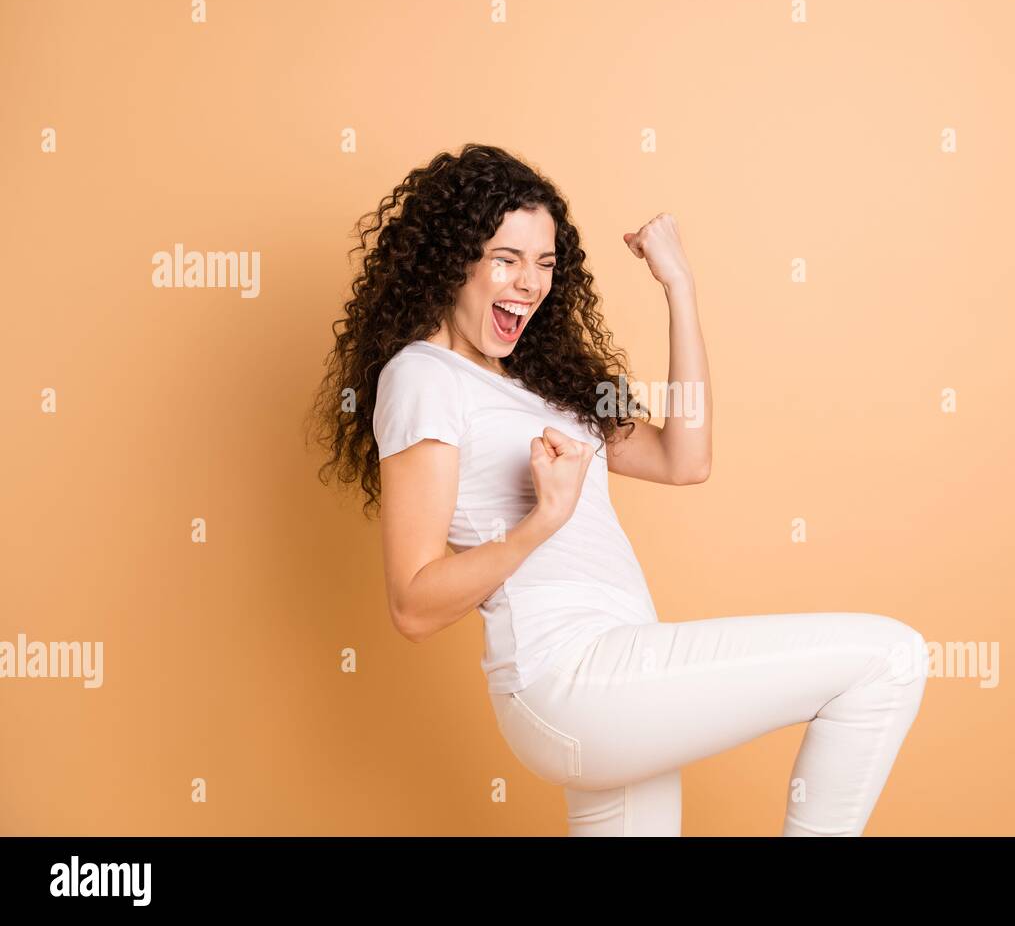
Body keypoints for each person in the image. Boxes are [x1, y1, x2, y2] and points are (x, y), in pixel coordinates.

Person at [310, 142, 928, 836]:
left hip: (620, 680)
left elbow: (683, 458)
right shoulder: (423, 377)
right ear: (453, 259)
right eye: (505, 259)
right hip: (571, 677)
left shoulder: (547, 385)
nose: (527, 284)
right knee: (890, 657)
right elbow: (414, 605)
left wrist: (680, 288)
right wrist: (540, 522)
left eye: (544, 264)